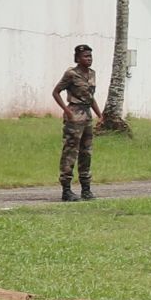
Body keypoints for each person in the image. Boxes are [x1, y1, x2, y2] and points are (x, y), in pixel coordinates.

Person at [52, 43, 99, 201]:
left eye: (90, 56)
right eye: (85, 56)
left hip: (87, 117)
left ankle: (86, 188)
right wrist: (67, 111)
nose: (89, 59)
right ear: (78, 58)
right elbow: (56, 92)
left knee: (86, 153)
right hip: (74, 116)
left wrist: (100, 115)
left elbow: (91, 98)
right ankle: (66, 190)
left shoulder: (92, 74)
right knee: (70, 152)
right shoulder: (71, 74)